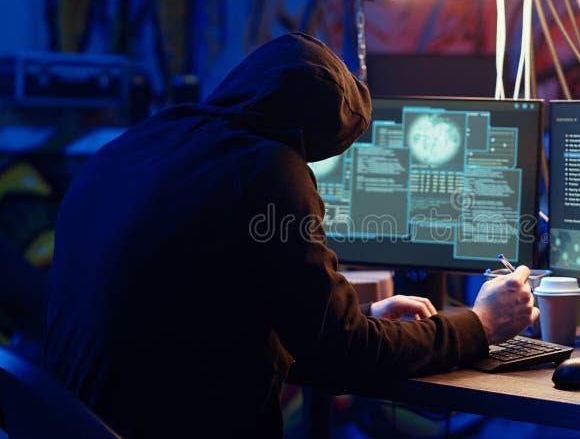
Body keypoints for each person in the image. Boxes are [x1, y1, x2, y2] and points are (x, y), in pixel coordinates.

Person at [44, 32, 537, 438]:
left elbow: (205, 318)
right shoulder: (264, 167)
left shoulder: (140, 144)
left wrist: (365, 319)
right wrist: (480, 323)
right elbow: (343, 355)